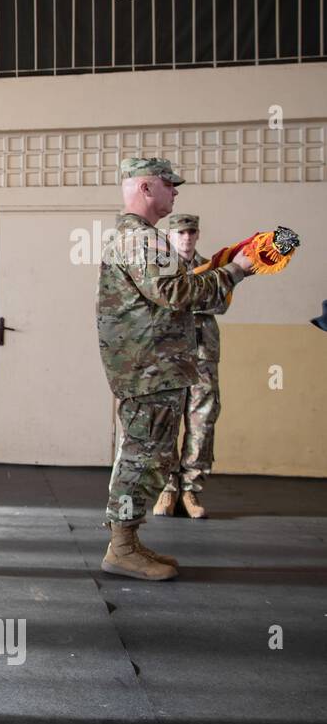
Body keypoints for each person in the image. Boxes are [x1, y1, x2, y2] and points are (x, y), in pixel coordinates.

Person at [97, 160, 255, 581]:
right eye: (169, 184)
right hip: (150, 368)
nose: (176, 191)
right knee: (143, 455)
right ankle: (121, 548)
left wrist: (223, 269)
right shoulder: (142, 238)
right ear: (146, 188)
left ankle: (128, 541)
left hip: (154, 366)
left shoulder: (139, 237)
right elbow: (175, 292)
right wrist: (235, 270)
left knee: (152, 454)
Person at [153, 213, 222, 519]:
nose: (186, 238)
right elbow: (157, 303)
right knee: (166, 421)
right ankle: (168, 489)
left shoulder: (212, 267)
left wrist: (181, 298)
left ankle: (191, 490)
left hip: (203, 354)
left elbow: (221, 301)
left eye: (191, 232)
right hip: (168, 355)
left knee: (202, 420)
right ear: (170, 236)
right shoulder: (158, 268)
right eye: (180, 232)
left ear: (198, 234)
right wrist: (195, 295)